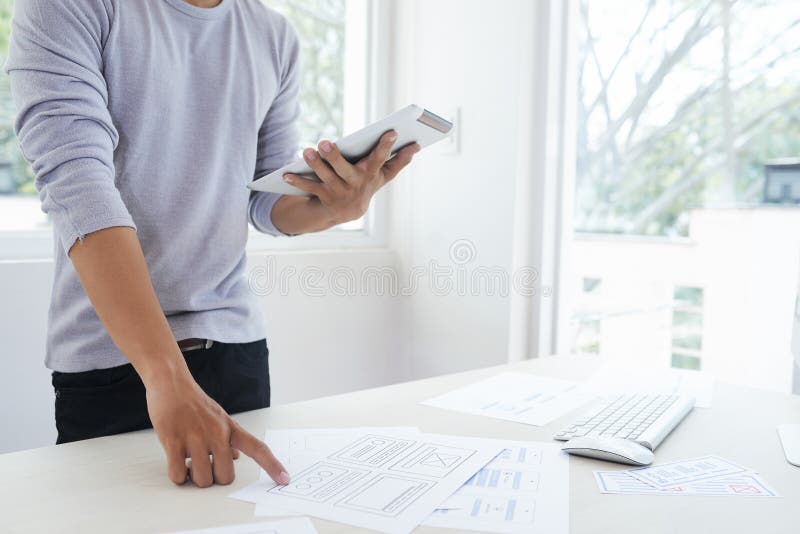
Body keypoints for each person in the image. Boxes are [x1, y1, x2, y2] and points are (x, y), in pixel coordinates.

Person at [6, 0, 419, 488]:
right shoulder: (69, 7)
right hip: (117, 359)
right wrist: (166, 375)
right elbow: (77, 187)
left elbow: (264, 201)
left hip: (236, 351)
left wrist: (338, 207)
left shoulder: (273, 35)